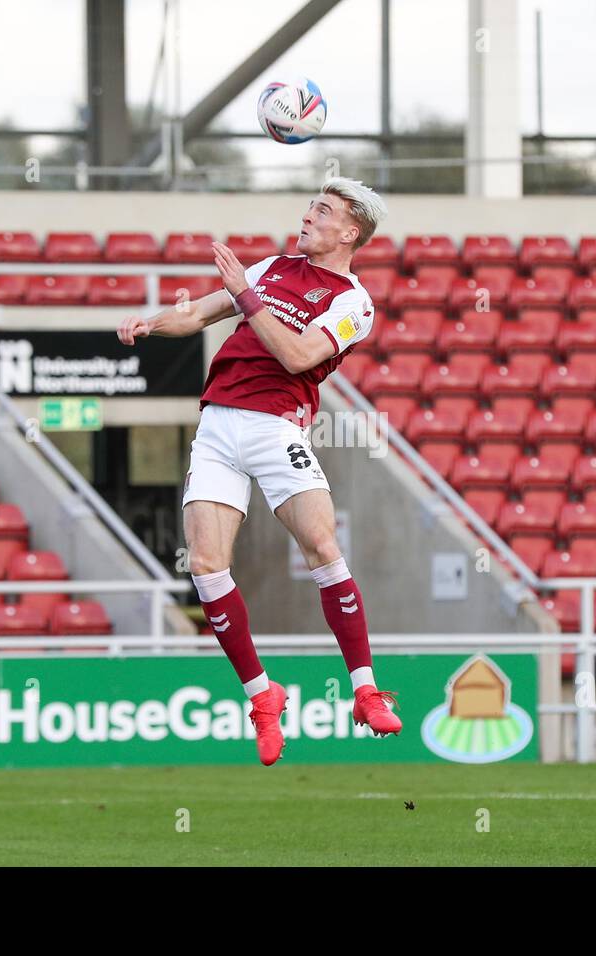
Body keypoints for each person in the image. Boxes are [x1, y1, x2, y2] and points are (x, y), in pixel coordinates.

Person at [118, 177, 400, 765]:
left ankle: (365, 689)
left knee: (322, 546)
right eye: (311, 205)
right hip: (219, 426)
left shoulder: (354, 302)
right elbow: (197, 313)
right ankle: (261, 695)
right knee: (203, 564)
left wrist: (246, 294)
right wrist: (152, 322)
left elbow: (298, 355)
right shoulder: (272, 267)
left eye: (322, 210)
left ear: (350, 233)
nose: (308, 214)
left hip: (276, 429)